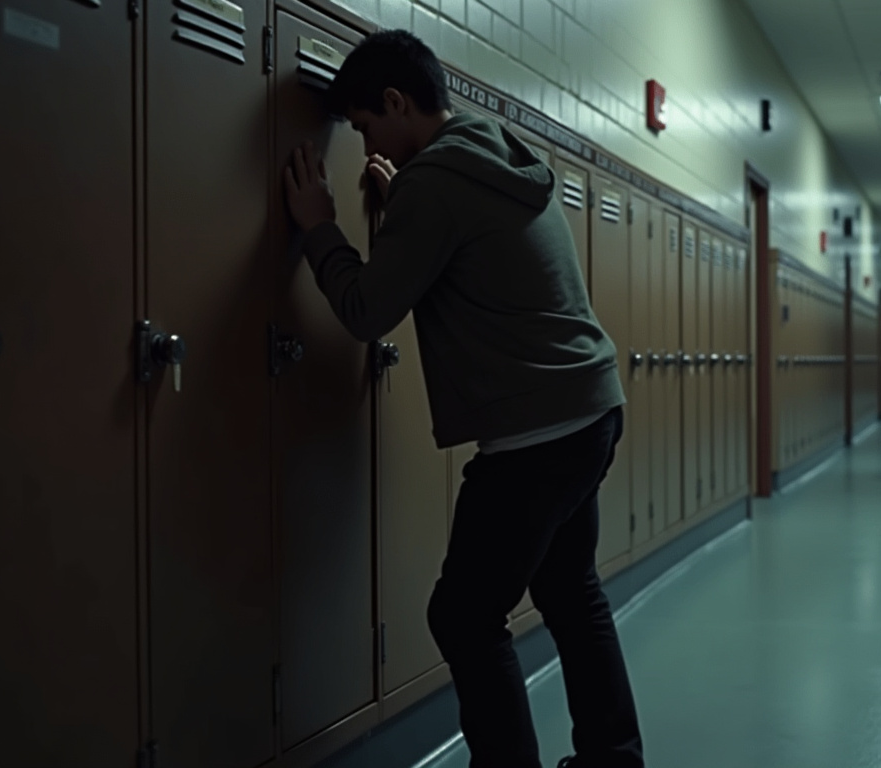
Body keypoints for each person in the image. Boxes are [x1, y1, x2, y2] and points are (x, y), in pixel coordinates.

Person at [281, 29, 643, 768]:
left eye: (365, 126)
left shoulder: (431, 185)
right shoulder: (490, 150)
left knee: (464, 616)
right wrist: (396, 206)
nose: (364, 141)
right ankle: (615, 757)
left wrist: (319, 226)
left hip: (535, 434)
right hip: (590, 408)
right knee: (571, 594)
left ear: (393, 101)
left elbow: (363, 312)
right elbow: (457, 252)